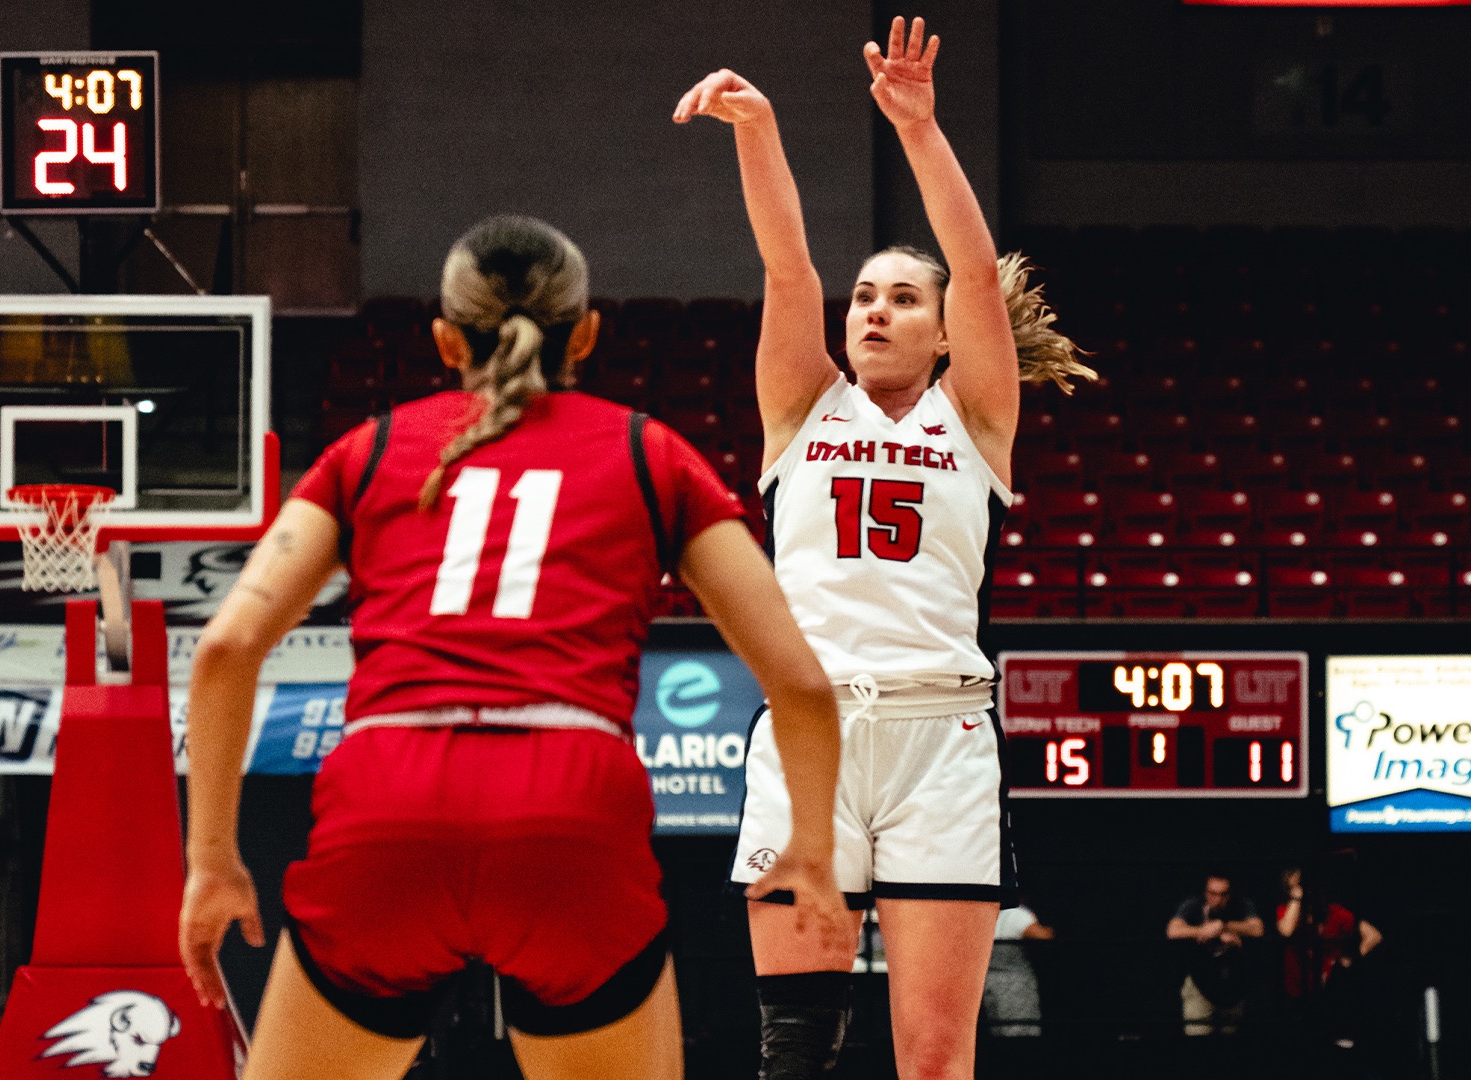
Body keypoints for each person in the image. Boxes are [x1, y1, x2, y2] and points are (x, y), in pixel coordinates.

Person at [176, 215, 847, 1080]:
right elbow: (800, 683)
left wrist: (214, 861)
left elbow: (225, 650)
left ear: (446, 341)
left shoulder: (368, 448)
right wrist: (813, 855)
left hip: (391, 795)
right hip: (571, 805)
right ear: (591, 332)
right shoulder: (652, 454)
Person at [673, 17, 1091, 1080]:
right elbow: (784, 270)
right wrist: (756, 128)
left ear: (946, 333)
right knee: (793, 1046)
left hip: (937, 736)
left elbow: (982, 277)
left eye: (904, 297)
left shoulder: (976, 418)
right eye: (865, 294)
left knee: (936, 1057)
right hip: (809, 734)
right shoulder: (803, 406)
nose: (873, 309)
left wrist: (919, 129)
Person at [1274, 868, 1380, 1051]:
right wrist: (1297, 900)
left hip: (1330, 998)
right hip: (1297, 997)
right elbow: (1286, 931)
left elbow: (1374, 936)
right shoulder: (1286, 911)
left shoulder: (1335, 913)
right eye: (1297, 888)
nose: (1306, 892)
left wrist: (1350, 959)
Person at [1166, 873, 1264, 1033]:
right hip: (1200, 988)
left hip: (1232, 990)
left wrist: (1224, 926)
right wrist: (1203, 931)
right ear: (1205, 893)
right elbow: (1173, 930)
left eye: (1223, 894)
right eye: (1213, 893)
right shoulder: (1194, 905)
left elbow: (1257, 928)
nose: (1218, 899)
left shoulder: (1240, 905)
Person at [981, 904, 1054, 1038]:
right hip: (1016, 986)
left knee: (1000, 1034)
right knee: (1021, 1034)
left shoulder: (986, 914)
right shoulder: (1016, 915)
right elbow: (1043, 936)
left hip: (990, 984)